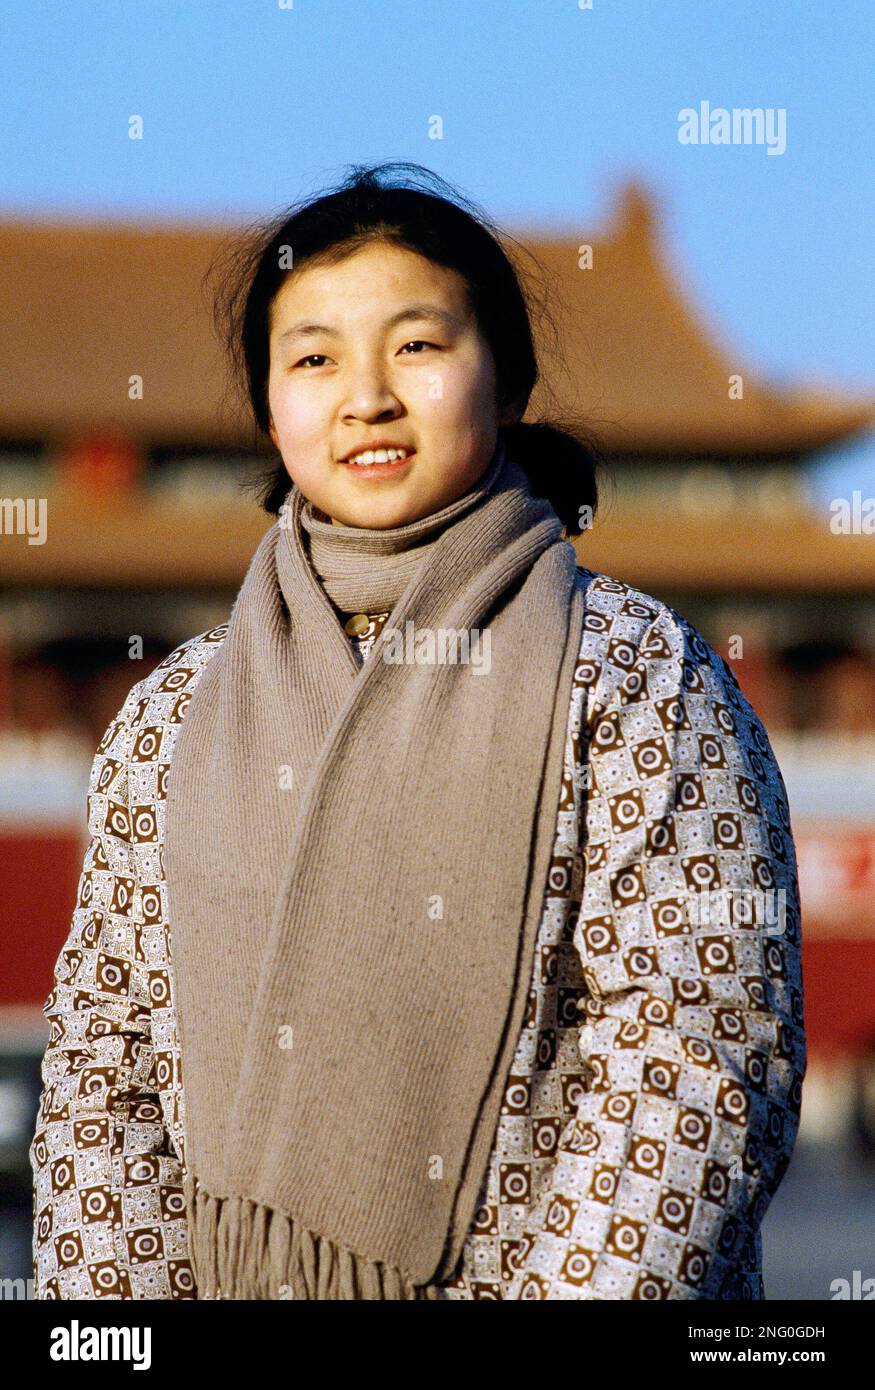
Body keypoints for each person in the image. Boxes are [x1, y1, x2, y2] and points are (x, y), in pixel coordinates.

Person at [30, 161, 806, 1300]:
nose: (365, 397)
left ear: (504, 379)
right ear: (266, 404)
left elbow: (697, 1051)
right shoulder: (171, 713)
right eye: (312, 358)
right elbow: (108, 1063)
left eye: (417, 346)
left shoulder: (632, 672)